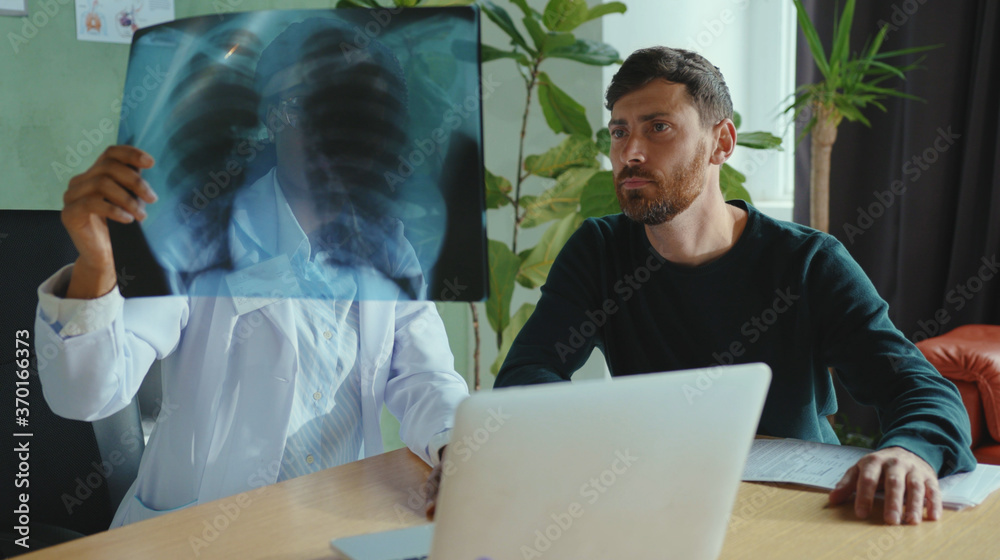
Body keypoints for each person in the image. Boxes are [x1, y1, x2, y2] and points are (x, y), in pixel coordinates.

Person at [495, 46, 976, 526]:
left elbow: (920, 388)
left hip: (795, 505)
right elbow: (526, 375)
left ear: (721, 143)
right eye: (620, 132)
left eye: (658, 128)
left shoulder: (809, 262)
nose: (630, 153)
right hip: (659, 499)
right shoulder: (598, 252)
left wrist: (909, 453)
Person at [35, 18, 467, 527]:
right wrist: (96, 265)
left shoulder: (389, 245)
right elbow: (88, 394)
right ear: (277, 115)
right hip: (197, 539)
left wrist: (454, 449)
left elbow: (427, 378)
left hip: (334, 528)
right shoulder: (193, 233)